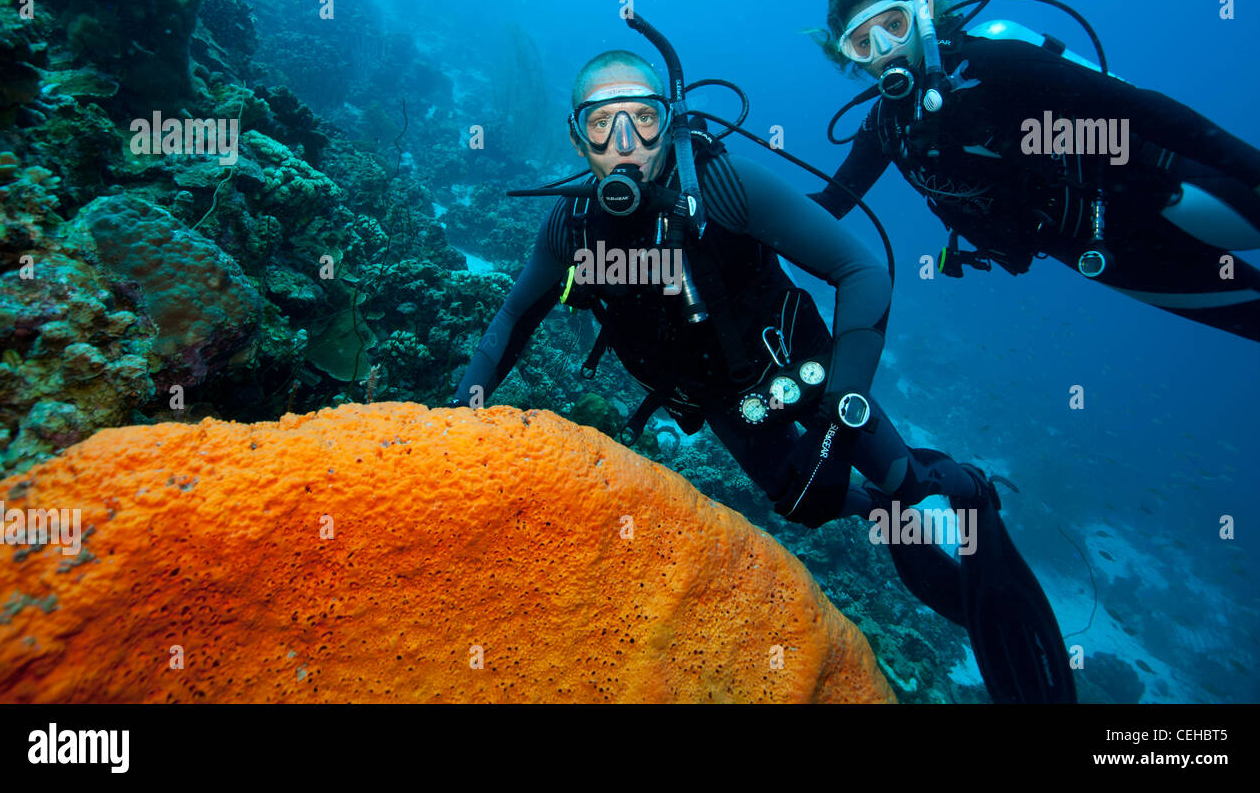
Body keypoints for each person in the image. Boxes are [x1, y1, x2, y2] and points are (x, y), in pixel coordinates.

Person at [449, 37, 1077, 703]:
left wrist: (837, 428)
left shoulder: (724, 185)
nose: (624, 141)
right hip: (729, 404)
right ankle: (893, 516)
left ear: (670, 120)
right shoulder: (570, 227)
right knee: (804, 504)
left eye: (643, 117)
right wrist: (458, 422)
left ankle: (962, 489)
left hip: (810, 376)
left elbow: (863, 271)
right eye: (602, 124)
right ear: (578, 140)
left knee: (906, 489)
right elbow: (511, 322)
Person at [812, 0, 1260, 348]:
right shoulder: (885, 128)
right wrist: (740, 198)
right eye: (864, 43)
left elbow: (1139, 108)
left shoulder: (990, 64)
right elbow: (833, 202)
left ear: (922, 15)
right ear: (851, 57)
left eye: (894, 26)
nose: (886, 50)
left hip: (1162, 188)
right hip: (1105, 254)